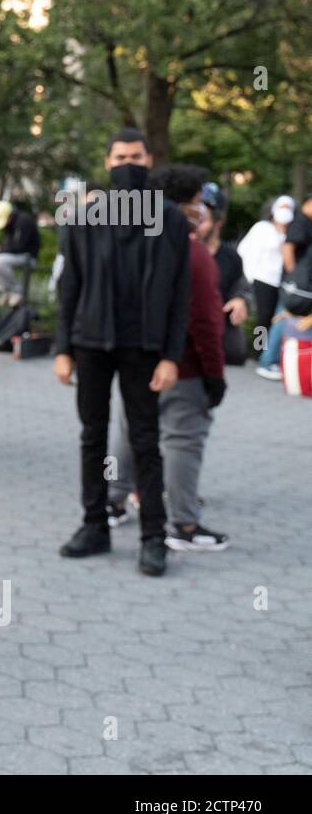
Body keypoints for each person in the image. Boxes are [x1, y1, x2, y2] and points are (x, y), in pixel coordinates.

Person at [53, 127, 192, 577]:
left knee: (145, 440)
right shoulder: (85, 216)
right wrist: (62, 349)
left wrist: (172, 355)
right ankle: (94, 524)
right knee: (92, 437)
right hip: (92, 342)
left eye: (135, 155)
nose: (126, 164)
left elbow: (179, 292)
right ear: (107, 162)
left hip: (144, 346)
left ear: (149, 160)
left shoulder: (169, 218)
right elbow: (69, 285)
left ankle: (154, 537)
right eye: (118, 157)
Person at [108, 165, 227, 552]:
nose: (203, 211)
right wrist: (215, 375)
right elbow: (207, 322)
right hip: (184, 366)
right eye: (198, 202)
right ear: (185, 206)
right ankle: (185, 524)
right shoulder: (193, 254)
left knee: (131, 430)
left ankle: (113, 500)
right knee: (183, 441)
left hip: (134, 359)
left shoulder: (132, 241)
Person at [197, 182, 252, 365]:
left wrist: (240, 300)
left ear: (218, 223)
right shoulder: (176, 252)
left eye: (201, 220)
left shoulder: (231, 256)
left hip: (221, 345)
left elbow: (242, 287)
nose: (195, 225)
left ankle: (263, 357)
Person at [237, 196, 293, 357]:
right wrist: (247, 277)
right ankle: (258, 351)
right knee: (263, 317)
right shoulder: (262, 228)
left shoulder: (291, 233)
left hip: (282, 282)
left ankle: (270, 353)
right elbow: (246, 250)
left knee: (276, 318)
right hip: (262, 278)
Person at [0, 200, 40, 306]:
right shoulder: (9, 224)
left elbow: (18, 246)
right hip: (14, 254)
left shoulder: (23, 221)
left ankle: (17, 292)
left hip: (27, 256)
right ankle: (5, 291)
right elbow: (9, 244)